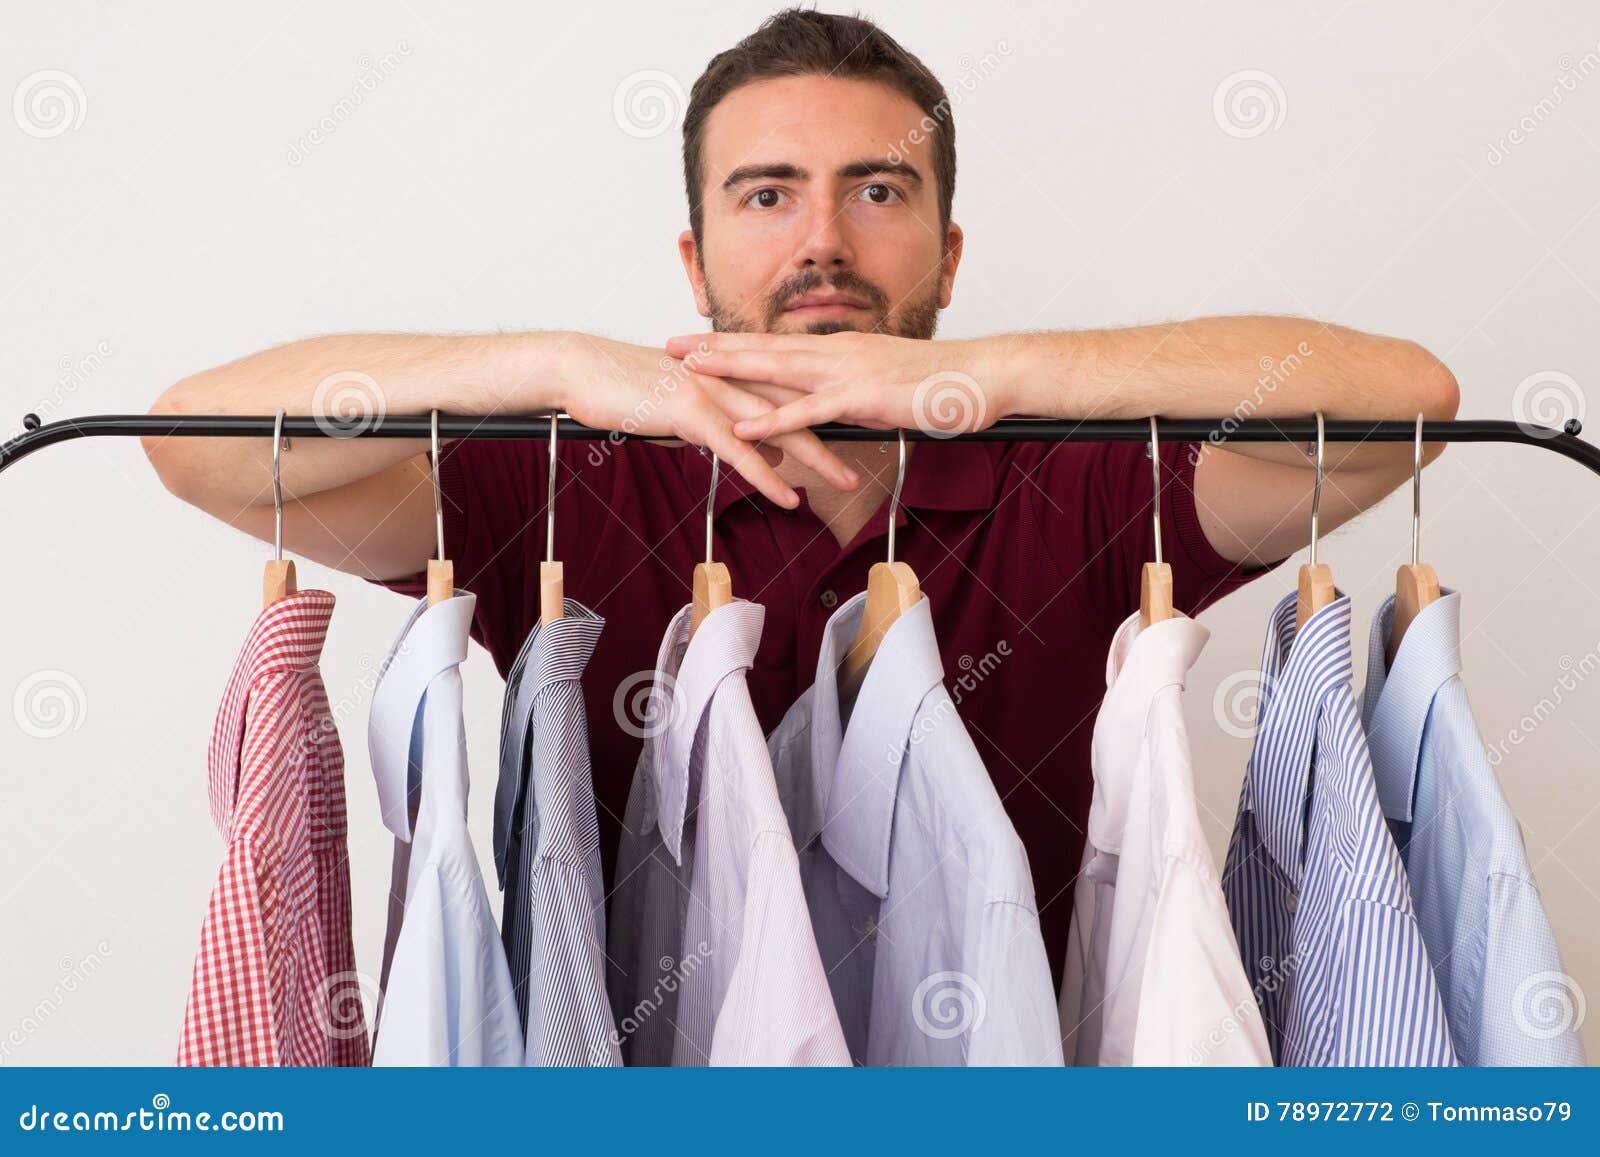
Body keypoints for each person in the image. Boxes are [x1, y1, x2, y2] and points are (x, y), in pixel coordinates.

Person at [142, 8, 1459, 985]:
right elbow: (197, 442)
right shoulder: (565, 481)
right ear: (696, 256)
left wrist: (987, 375)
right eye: (766, 194)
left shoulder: (1086, 476)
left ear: (947, 250)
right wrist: (554, 366)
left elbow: (1405, 402)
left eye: (876, 192)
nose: (821, 239)